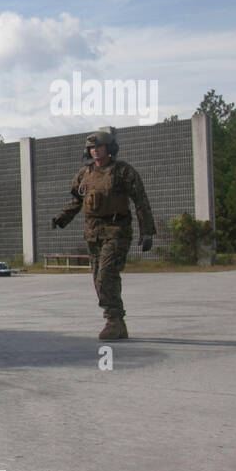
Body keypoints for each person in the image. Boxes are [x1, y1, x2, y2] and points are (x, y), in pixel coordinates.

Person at [52, 128, 156, 340]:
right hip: (93, 233)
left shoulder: (122, 172)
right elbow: (77, 202)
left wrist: (147, 232)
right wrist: (61, 218)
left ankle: (114, 320)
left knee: (106, 274)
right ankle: (116, 322)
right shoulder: (84, 174)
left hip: (117, 231)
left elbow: (141, 201)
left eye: (99, 147)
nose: (95, 151)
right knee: (99, 279)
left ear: (109, 148)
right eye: (91, 148)